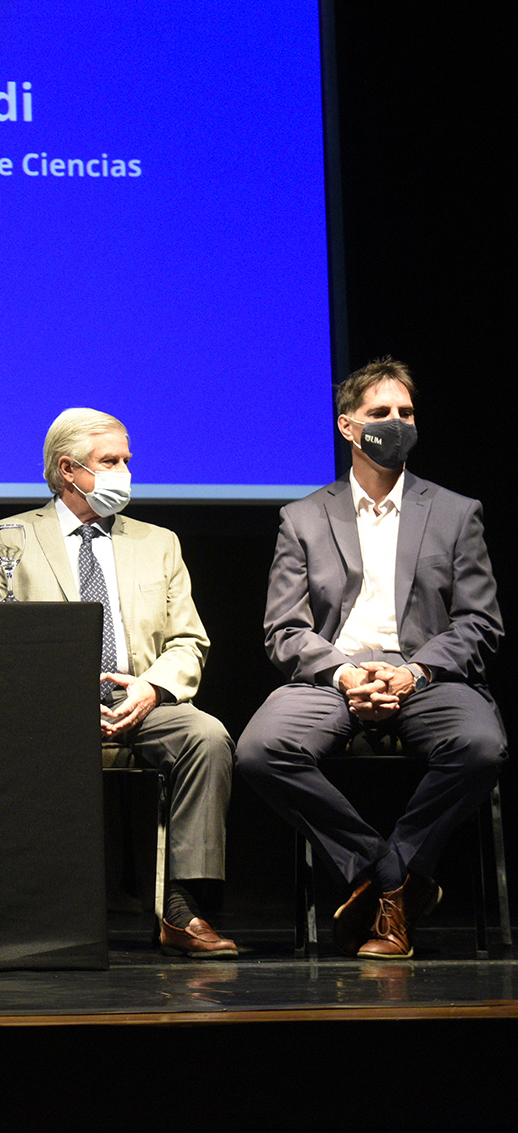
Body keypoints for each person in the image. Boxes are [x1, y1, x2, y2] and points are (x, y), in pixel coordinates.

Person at [238, 358, 504, 959]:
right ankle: (389, 874)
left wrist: (414, 671)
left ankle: (392, 884)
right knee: (259, 751)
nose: (396, 422)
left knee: (481, 747)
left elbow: (480, 623)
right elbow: (283, 629)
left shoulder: (457, 513)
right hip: (333, 675)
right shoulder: (303, 517)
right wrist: (344, 671)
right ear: (347, 427)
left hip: (428, 674)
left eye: (406, 413)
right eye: (380, 413)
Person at [0, 408, 237, 957]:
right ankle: (29, 910)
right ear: (68, 469)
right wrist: (62, 699)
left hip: (142, 702)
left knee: (207, 737)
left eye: (127, 462)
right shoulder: (8, 537)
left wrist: (153, 689)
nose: (125, 473)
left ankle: (181, 906)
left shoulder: (158, 541)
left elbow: (189, 641)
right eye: (109, 462)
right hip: (49, 709)